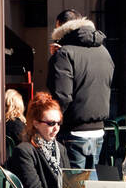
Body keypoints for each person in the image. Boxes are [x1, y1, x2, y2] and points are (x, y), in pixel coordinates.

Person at [46, 9, 114, 169]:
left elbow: (62, 96)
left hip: (73, 130)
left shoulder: (64, 54)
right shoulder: (104, 51)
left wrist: (52, 122)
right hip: (99, 129)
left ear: (60, 27)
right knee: (90, 186)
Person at [7, 92, 70, 188]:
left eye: (58, 123)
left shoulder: (61, 149)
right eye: (51, 123)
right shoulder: (24, 151)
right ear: (36, 123)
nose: (56, 128)